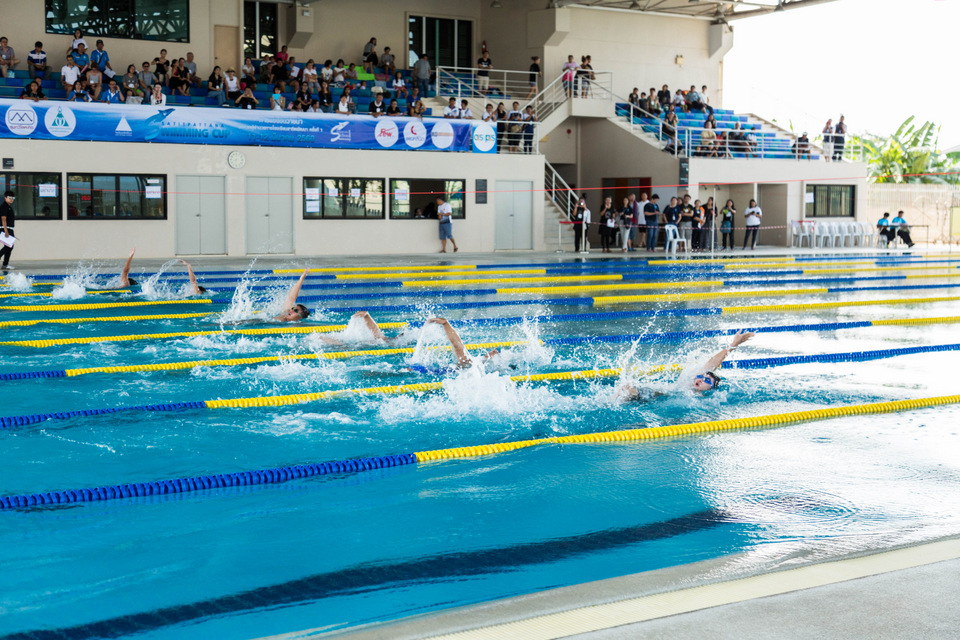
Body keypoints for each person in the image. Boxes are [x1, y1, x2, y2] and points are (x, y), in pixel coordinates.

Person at [617, 330, 755, 401]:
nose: (701, 379)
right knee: (626, 388)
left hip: (659, 397)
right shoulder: (688, 383)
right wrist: (732, 345)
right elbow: (711, 365)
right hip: (658, 394)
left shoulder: (699, 399)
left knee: (627, 390)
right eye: (702, 377)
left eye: (707, 381)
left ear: (711, 389)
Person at [0, 190, 16, 270]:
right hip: (5, 229)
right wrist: (6, 231)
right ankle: (5, 264)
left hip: (9, 229)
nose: (11, 199)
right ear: (5, 198)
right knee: (8, 246)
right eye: (10, 198)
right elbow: (3, 219)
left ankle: (5, 264)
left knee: (9, 246)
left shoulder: (9, 206)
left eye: (13, 198)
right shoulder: (4, 206)